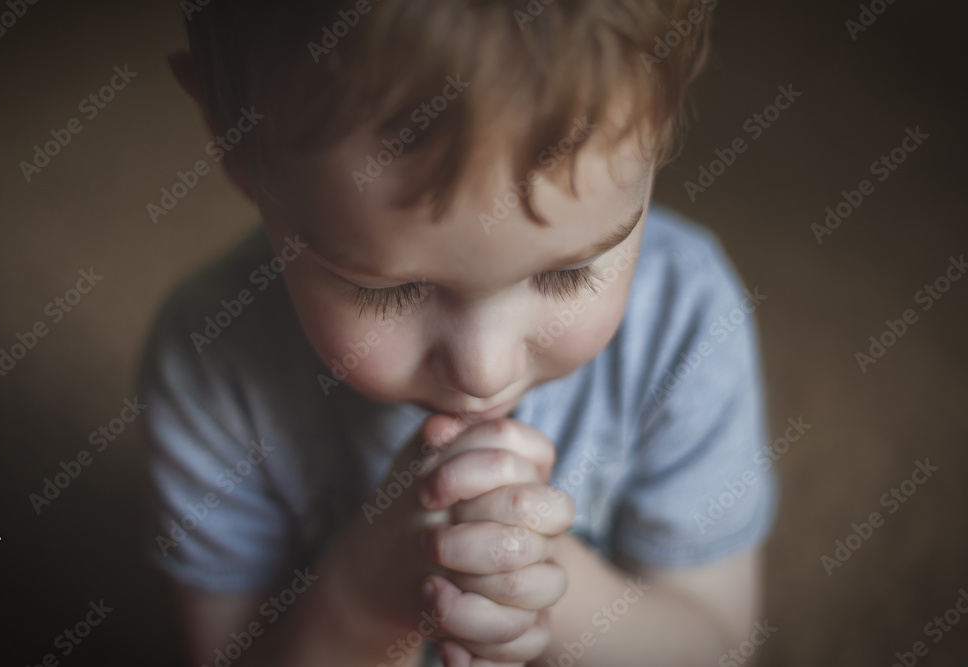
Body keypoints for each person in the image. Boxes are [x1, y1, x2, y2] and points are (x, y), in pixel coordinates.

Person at [138, 1, 778, 665]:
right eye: (388, 290)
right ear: (234, 142)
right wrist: (362, 597)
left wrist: (540, 582)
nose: (484, 369)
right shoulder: (213, 364)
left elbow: (718, 645)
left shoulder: (684, 321)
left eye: (566, 276)